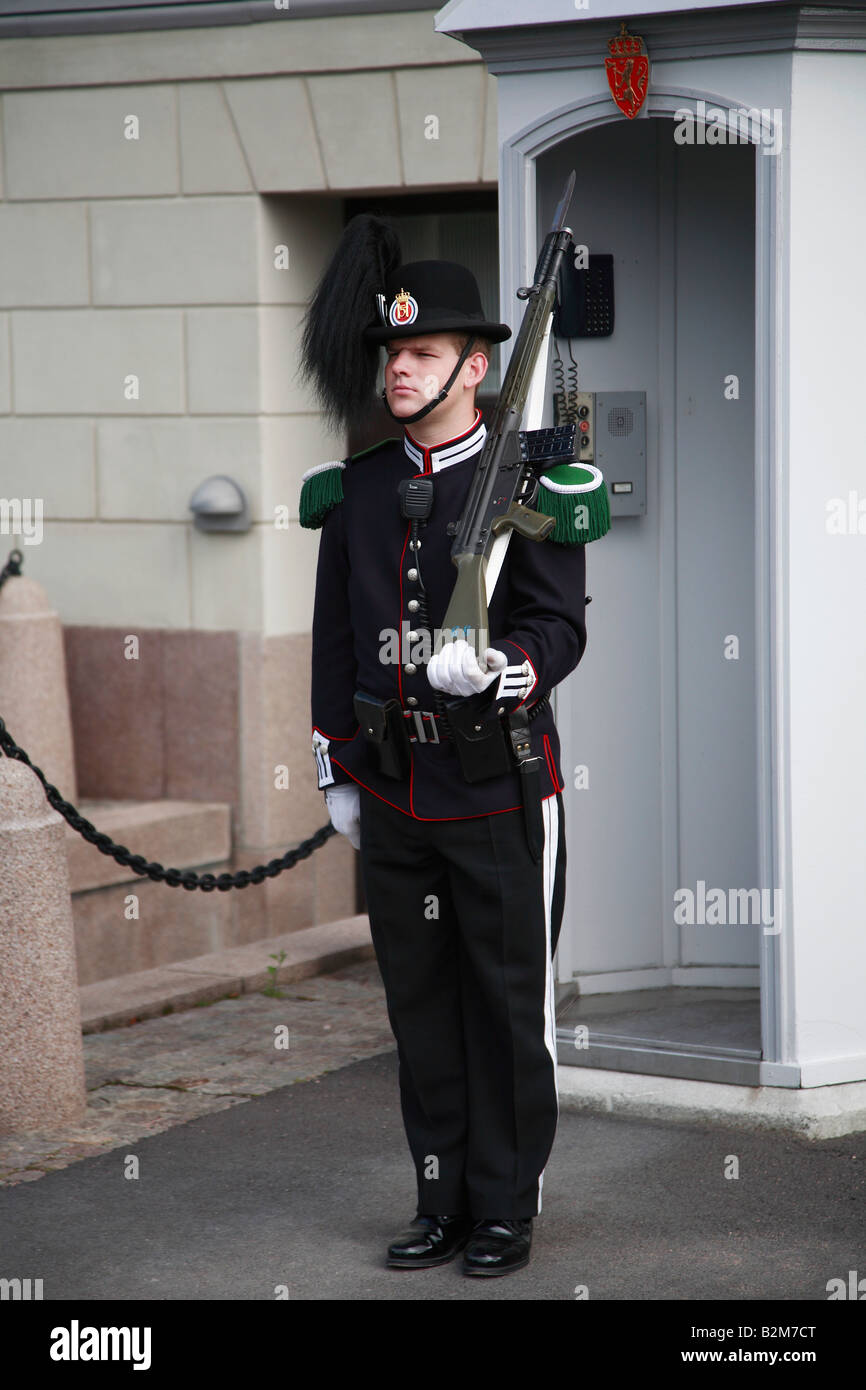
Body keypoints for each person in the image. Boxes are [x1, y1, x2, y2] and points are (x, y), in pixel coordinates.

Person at [298, 217, 606, 1277]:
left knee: (505, 1009)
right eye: (391, 354)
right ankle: (439, 1200)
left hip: (495, 786)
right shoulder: (356, 490)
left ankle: (504, 1209)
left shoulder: (531, 481)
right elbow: (335, 642)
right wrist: (337, 765)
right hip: (394, 790)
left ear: (475, 366)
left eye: (421, 352)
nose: (398, 369)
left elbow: (560, 626)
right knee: (421, 1012)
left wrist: (507, 665)